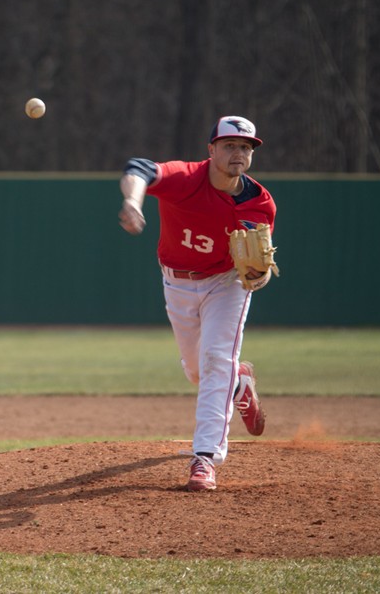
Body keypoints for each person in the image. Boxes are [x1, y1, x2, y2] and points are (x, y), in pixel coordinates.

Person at [117, 116, 276, 491]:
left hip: (227, 284)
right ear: (212, 150)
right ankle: (239, 385)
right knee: (197, 372)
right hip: (177, 282)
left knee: (216, 358)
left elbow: (256, 264)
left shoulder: (258, 202)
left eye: (245, 147)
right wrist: (132, 201)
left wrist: (259, 275)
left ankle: (205, 458)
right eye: (230, 145)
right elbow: (138, 168)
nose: (238, 153)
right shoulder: (186, 178)